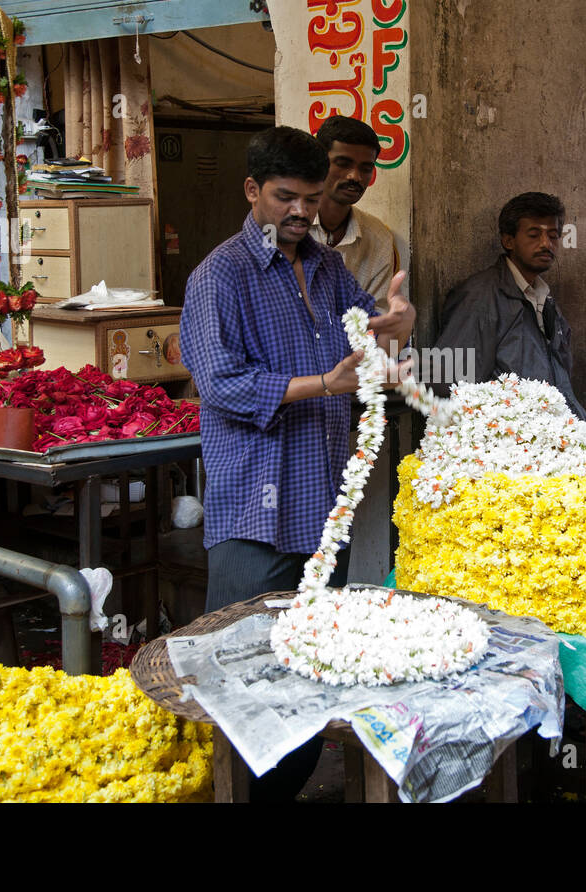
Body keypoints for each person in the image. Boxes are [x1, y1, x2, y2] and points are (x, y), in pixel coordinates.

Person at [179, 126, 414, 802]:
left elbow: (368, 326)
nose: (302, 213)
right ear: (253, 191)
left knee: (308, 668)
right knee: (242, 674)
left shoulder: (325, 265)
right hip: (255, 508)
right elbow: (220, 384)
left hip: (323, 506)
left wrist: (395, 322)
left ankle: (284, 790)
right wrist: (324, 385)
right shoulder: (219, 276)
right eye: (286, 198)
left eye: (311, 200)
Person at [432, 192, 586, 420]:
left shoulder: (543, 298)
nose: (546, 244)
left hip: (552, 433)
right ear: (508, 240)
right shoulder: (479, 298)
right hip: (509, 440)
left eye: (553, 235)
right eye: (534, 235)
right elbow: (448, 382)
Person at [310, 115, 400, 312]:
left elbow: (376, 320)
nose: (355, 176)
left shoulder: (378, 239)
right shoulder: (286, 228)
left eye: (366, 168)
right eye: (343, 163)